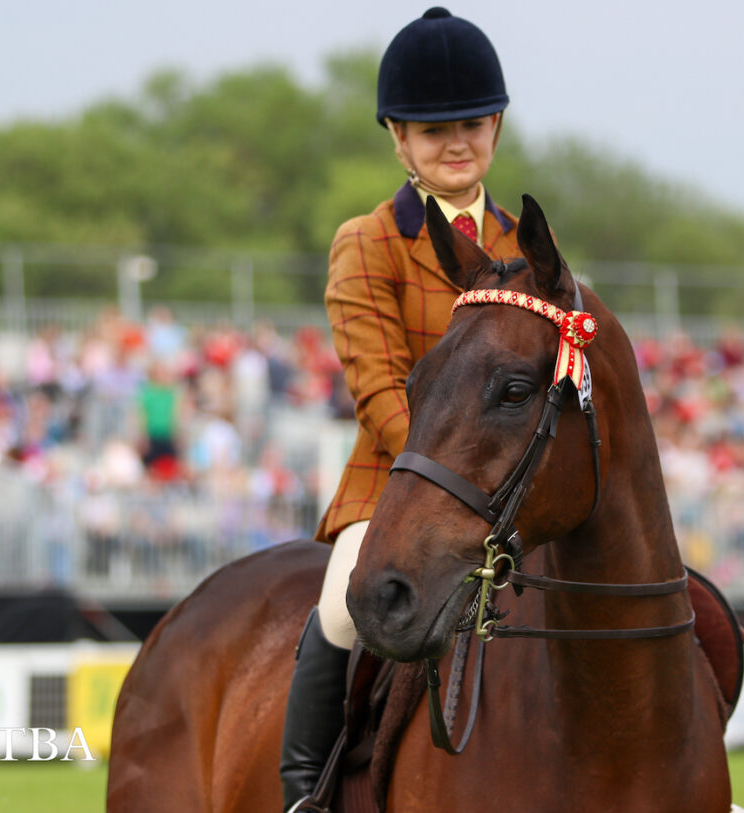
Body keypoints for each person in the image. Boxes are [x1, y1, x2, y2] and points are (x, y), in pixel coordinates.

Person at [278, 7, 522, 811]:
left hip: (516, 496)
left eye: (472, 125)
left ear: (495, 126)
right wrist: (455, 484)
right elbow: (379, 388)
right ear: (399, 138)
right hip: (397, 485)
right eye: (434, 130)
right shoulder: (369, 241)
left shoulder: (527, 248)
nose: (457, 143)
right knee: (342, 610)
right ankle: (305, 790)